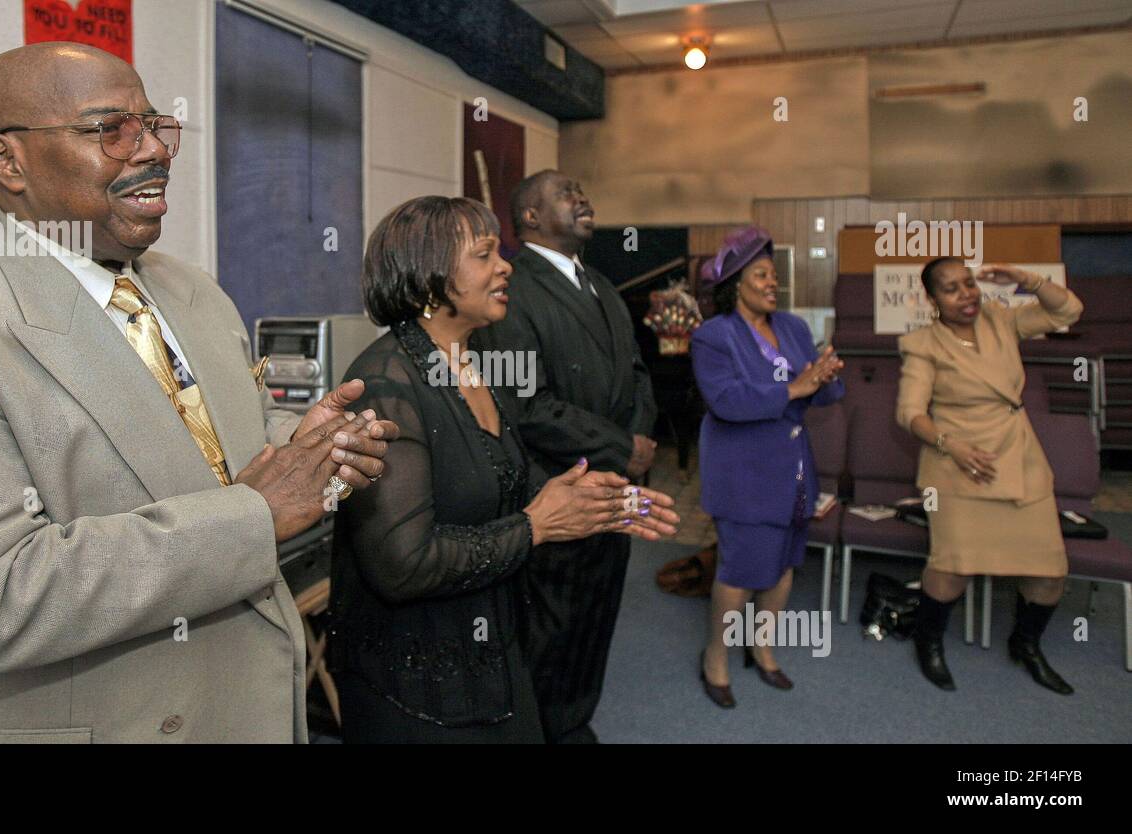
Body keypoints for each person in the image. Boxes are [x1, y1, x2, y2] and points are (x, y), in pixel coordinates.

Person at [0, 43, 396, 743]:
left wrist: (309, 448)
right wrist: (258, 513)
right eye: (112, 130)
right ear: (7, 160)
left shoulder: (196, 294)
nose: (155, 149)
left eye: (156, 124)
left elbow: (214, 455)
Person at [329, 196, 679, 743]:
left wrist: (586, 501)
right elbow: (403, 566)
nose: (505, 265)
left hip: (495, 641)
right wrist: (539, 525)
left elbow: (488, 477)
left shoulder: (471, 363)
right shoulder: (385, 386)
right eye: (485, 254)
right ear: (430, 277)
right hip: (417, 678)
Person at [471, 170, 658, 743]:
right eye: (565, 193)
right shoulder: (512, 287)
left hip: (616, 490)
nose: (582, 197)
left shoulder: (602, 284)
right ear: (529, 217)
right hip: (554, 487)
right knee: (549, 628)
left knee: (597, 619)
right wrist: (622, 447)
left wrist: (639, 443)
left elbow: (637, 375)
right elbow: (524, 402)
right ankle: (543, 731)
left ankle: (575, 726)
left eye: (582, 189)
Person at [897, 258, 1083, 694]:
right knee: (952, 568)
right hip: (957, 466)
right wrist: (951, 445)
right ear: (932, 299)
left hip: (1019, 458)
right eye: (951, 288)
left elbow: (1068, 311)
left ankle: (1027, 644)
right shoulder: (923, 344)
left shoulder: (1001, 321)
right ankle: (928, 641)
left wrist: (1027, 280)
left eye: (969, 284)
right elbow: (909, 413)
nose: (966, 295)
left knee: (1050, 570)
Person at [690, 226, 844, 708]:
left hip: (794, 466)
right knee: (738, 569)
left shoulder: (794, 327)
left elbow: (822, 392)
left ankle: (762, 646)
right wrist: (795, 388)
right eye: (761, 274)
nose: (772, 283)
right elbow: (727, 400)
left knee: (782, 565)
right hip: (742, 470)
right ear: (735, 284)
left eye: (774, 275)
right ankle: (716, 656)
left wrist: (827, 377)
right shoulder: (714, 337)